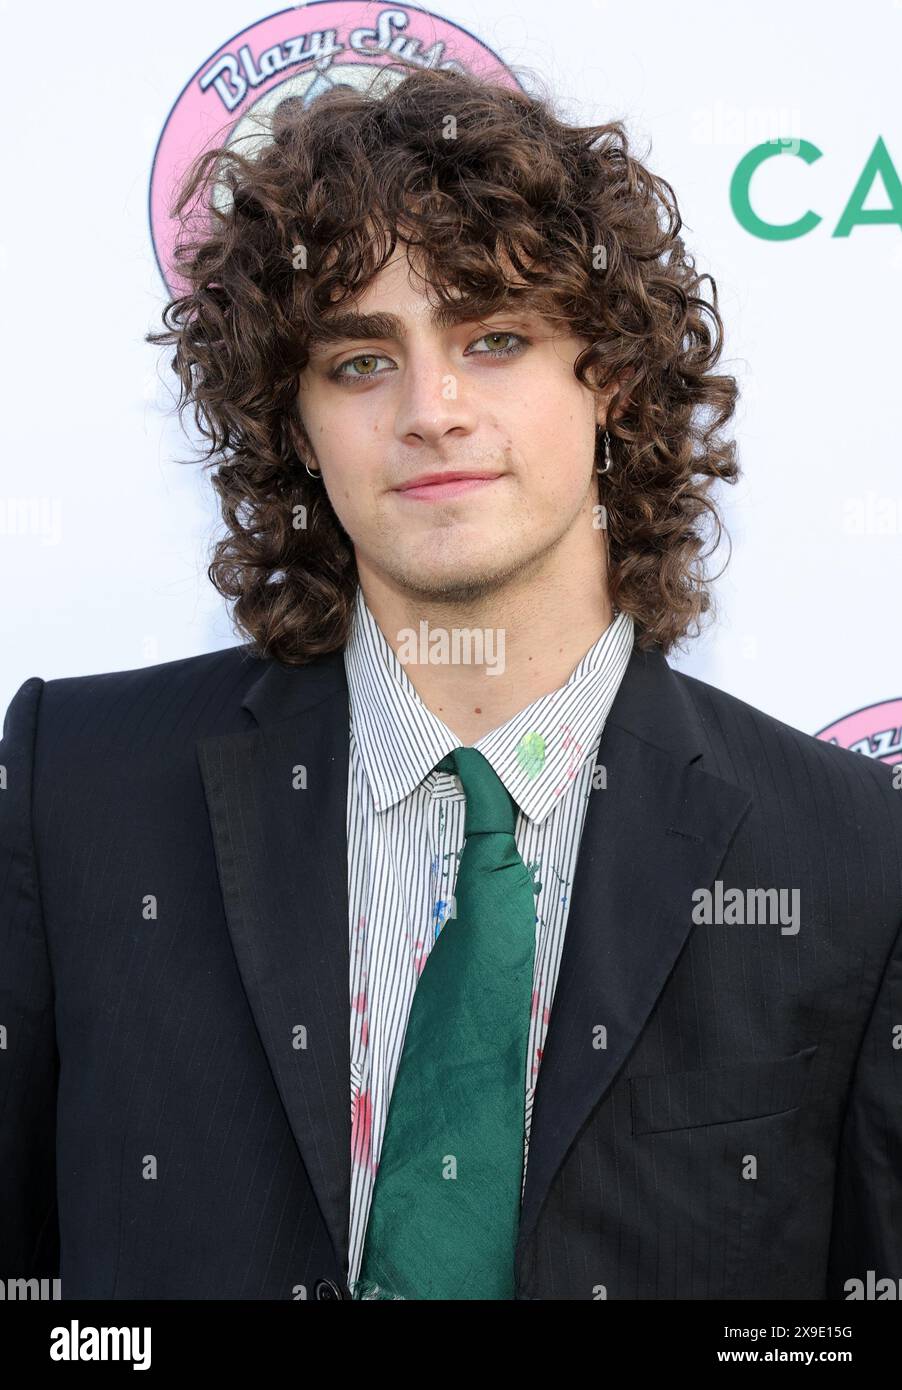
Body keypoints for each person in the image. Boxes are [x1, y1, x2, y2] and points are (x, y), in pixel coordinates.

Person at [1, 64, 900, 1301]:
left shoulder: (850, 855)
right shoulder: (78, 786)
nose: (432, 408)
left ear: (616, 382)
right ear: (293, 421)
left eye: (495, 337)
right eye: (359, 361)